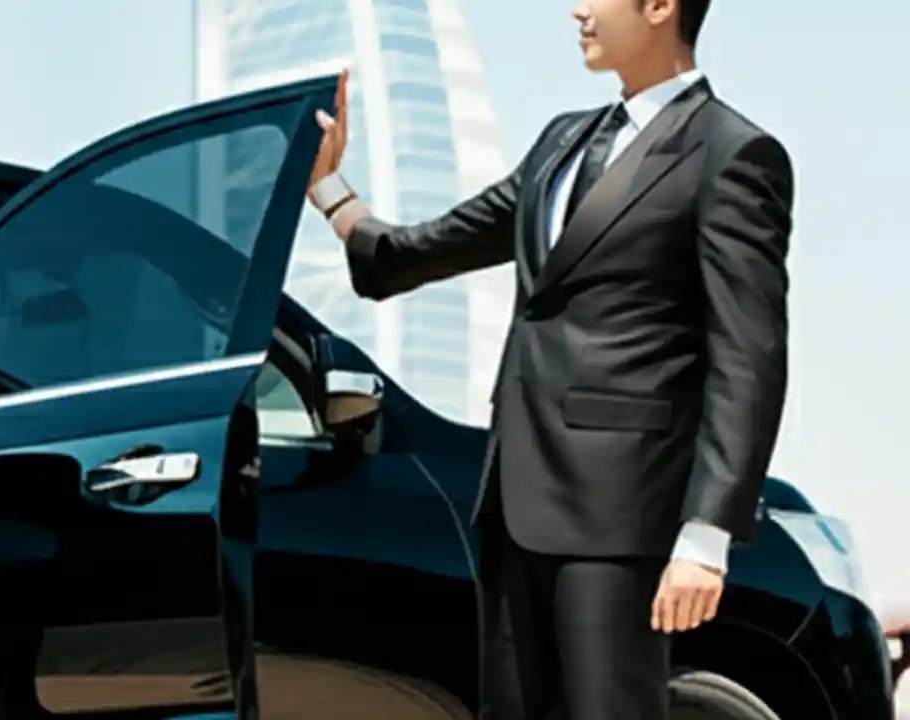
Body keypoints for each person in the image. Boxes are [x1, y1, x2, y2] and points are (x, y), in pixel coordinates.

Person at [305, 0, 793, 718]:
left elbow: (748, 355)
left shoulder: (732, 153)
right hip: (514, 504)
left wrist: (707, 534)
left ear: (660, 7)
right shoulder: (560, 143)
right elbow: (412, 253)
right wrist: (327, 186)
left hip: (622, 518)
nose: (577, 9)